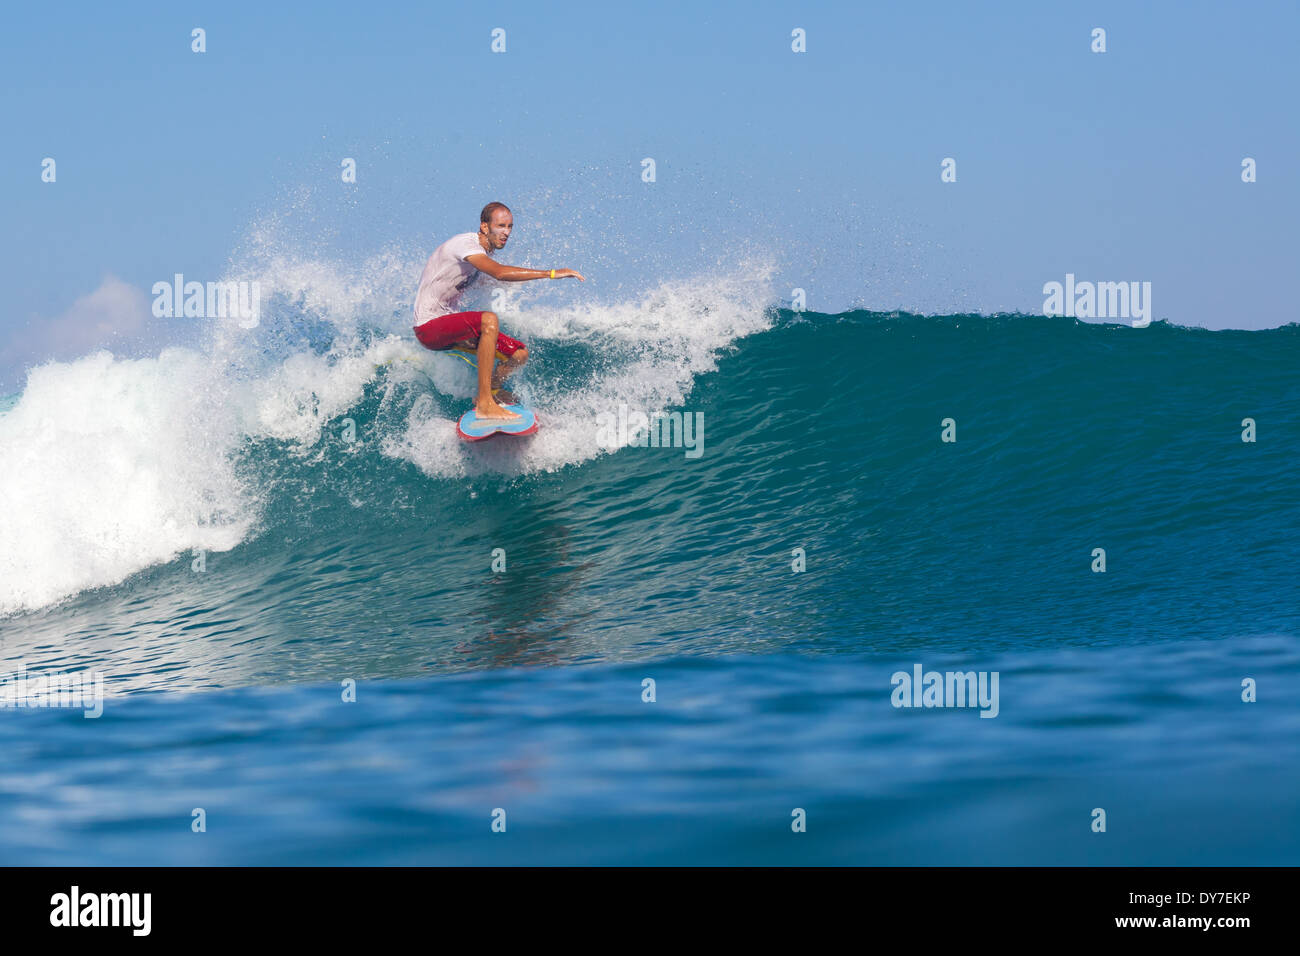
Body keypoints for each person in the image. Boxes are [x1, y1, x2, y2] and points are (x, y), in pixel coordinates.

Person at [412, 202, 584, 421]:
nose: (507, 232)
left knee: (519, 354)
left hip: (448, 327)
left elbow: (500, 278)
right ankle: (485, 403)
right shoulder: (467, 245)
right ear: (485, 227)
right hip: (428, 327)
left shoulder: (478, 258)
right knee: (489, 320)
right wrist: (550, 273)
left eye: (510, 226)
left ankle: (492, 390)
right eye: (501, 225)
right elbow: (500, 273)